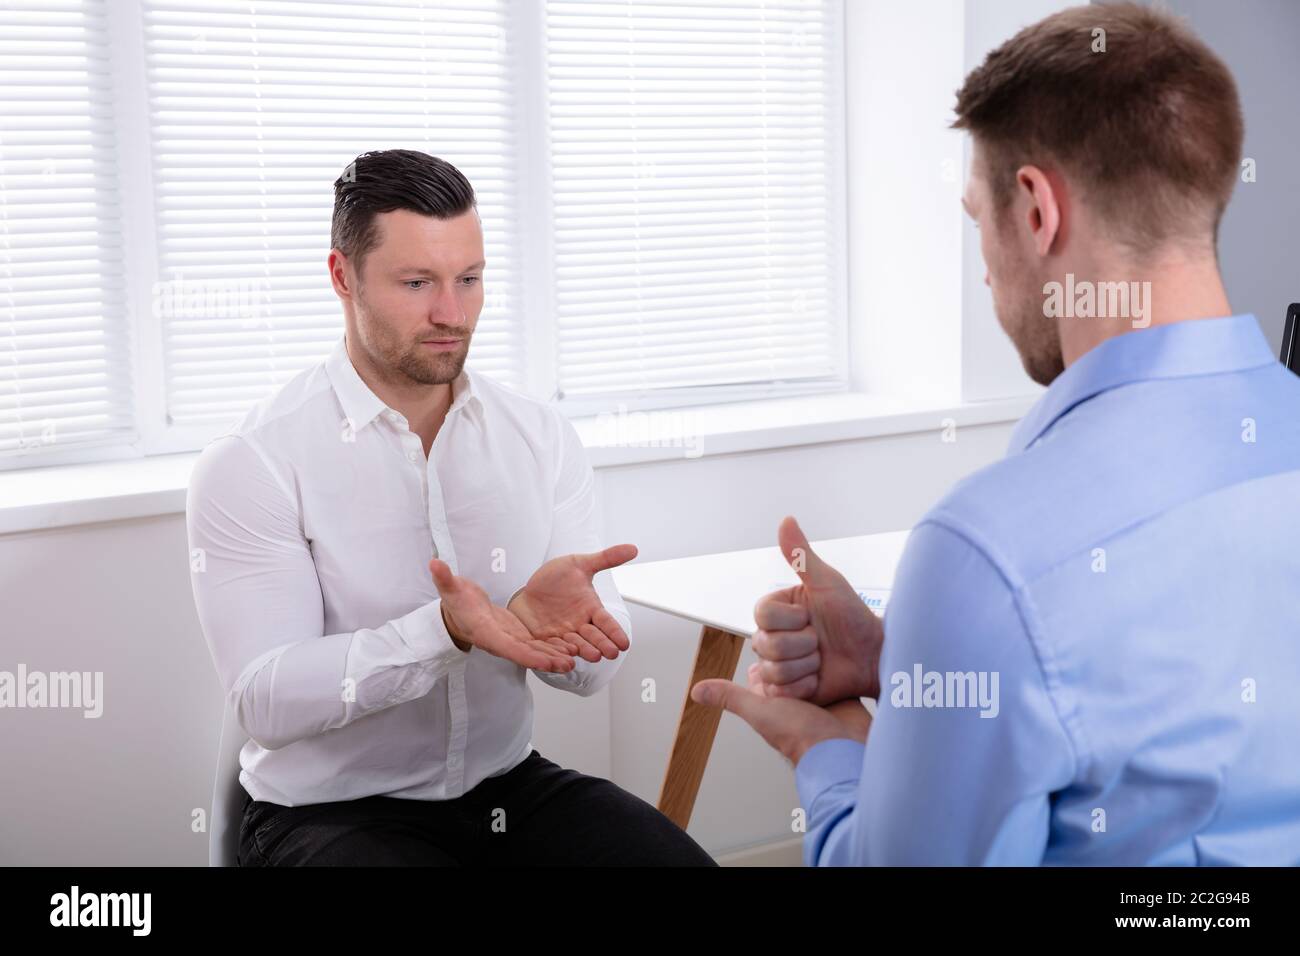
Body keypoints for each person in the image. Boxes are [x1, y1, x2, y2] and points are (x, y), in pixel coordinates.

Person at [693, 2, 1300, 865]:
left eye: (978, 218)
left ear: (1037, 211)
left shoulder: (986, 553)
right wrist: (904, 660)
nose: (983, 265)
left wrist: (822, 747)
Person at [186, 148, 715, 866]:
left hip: (505, 790)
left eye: (469, 279)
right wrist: (443, 632)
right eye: (417, 282)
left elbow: (593, 673)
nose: (451, 313)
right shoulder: (255, 460)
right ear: (343, 276)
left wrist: (563, 636)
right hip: (326, 814)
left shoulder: (537, 435)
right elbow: (266, 701)